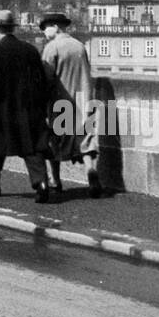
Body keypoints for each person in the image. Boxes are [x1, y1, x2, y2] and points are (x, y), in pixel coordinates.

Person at [0, 9, 52, 202]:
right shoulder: (30, 50)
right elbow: (41, 80)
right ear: (12, 28)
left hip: (2, 108)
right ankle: (42, 184)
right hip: (28, 108)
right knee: (32, 147)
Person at [40, 12, 104, 198]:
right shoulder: (79, 46)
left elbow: (46, 78)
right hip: (84, 101)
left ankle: (56, 180)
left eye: (46, 27)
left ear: (56, 27)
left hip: (60, 102)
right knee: (86, 141)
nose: (44, 31)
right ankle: (91, 173)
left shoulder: (52, 48)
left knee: (54, 142)